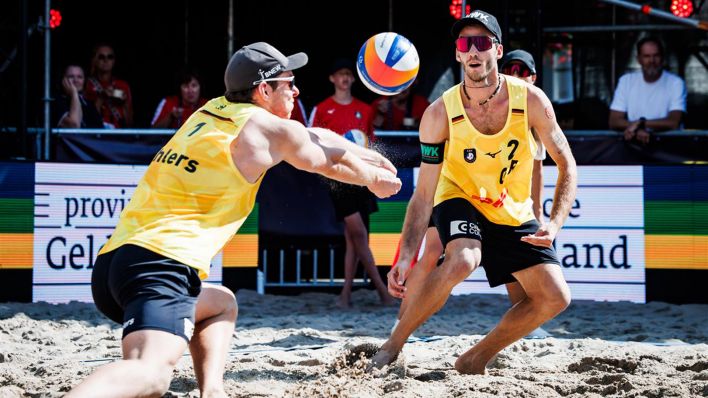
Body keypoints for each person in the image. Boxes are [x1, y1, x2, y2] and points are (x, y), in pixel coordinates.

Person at [66, 42, 401, 398]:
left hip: (115, 265)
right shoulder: (264, 129)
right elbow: (324, 159)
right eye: (289, 82)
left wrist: (366, 156)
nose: (296, 90)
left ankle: (212, 393)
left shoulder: (212, 111)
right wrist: (372, 178)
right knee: (152, 376)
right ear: (264, 89)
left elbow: (314, 135)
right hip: (162, 263)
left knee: (221, 304)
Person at [371, 10, 577, 374]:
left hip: (509, 208)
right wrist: (404, 255)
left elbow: (566, 164)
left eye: (482, 43)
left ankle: (474, 359)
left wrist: (554, 223)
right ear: (457, 53)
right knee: (464, 259)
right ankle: (393, 344)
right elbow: (423, 195)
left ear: (497, 51)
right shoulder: (439, 113)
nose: (473, 51)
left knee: (555, 298)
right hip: (460, 194)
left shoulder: (530, 100)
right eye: (466, 44)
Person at [390, 48, 552, 340]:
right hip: (449, 186)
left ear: (534, 78)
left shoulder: (530, 112)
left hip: (489, 197)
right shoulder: (461, 105)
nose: (517, 76)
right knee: (432, 252)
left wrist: (536, 211)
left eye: (523, 72)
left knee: (517, 259)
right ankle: (401, 324)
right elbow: (425, 188)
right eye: (512, 70)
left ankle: (527, 322)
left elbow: (535, 172)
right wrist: (404, 255)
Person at [310, 58, 394, 309]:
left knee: (354, 239)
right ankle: (381, 290)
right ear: (332, 79)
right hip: (337, 177)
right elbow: (311, 142)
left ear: (353, 78)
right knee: (358, 234)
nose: (345, 78)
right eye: (340, 74)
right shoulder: (322, 108)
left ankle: (345, 295)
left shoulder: (365, 109)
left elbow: (370, 142)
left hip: (362, 174)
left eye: (348, 74)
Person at [608, 36, 686, 144]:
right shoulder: (626, 81)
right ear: (638, 59)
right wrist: (638, 128)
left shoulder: (676, 83)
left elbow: (673, 122)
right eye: (646, 56)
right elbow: (614, 121)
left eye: (656, 55)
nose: (652, 61)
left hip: (668, 147)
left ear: (662, 58)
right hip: (633, 146)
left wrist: (640, 124)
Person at [84, 43, 134, 128]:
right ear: (94, 60)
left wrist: (124, 103)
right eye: (101, 57)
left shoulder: (122, 85)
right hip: (96, 133)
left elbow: (130, 122)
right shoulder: (86, 84)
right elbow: (87, 119)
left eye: (110, 57)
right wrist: (101, 97)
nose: (106, 60)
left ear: (114, 61)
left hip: (118, 134)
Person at [52, 64, 104, 128]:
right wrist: (74, 93)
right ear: (63, 80)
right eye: (71, 76)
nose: (76, 80)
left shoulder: (89, 104)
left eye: (79, 77)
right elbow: (74, 125)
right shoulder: (54, 102)